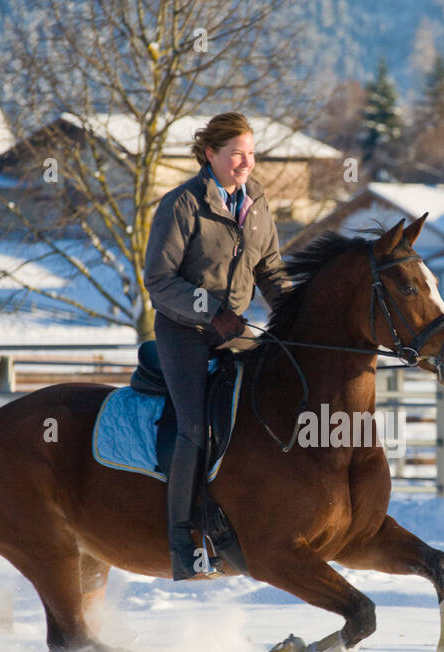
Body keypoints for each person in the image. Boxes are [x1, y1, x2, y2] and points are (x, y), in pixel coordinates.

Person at [143, 111, 291, 580]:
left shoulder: (257, 202)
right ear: (211, 155)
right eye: (236, 155)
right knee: (195, 427)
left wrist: (295, 314)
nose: (245, 163)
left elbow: (269, 268)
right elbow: (159, 281)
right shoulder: (181, 204)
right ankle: (182, 543)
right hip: (184, 331)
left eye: (250, 154)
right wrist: (211, 311)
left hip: (235, 330)